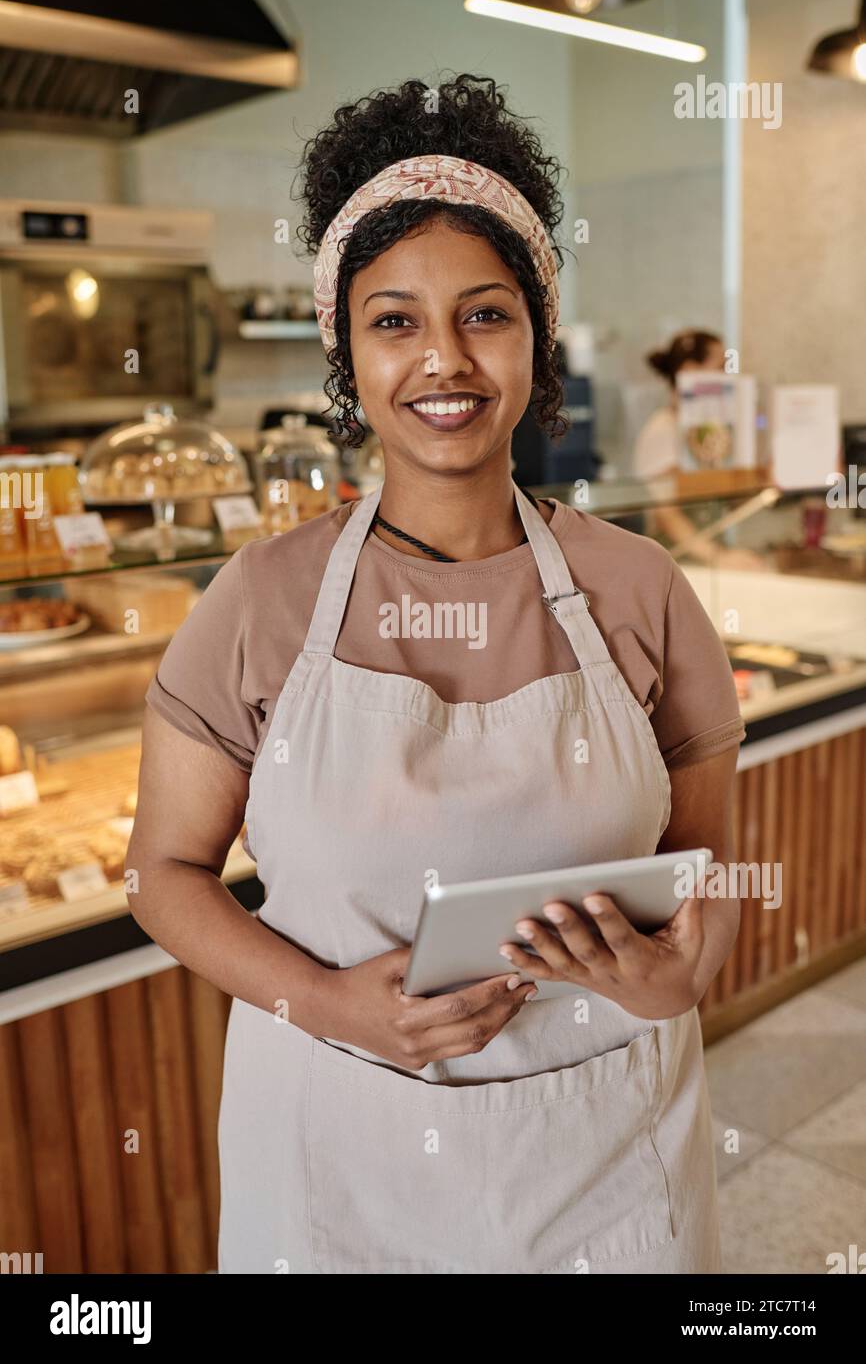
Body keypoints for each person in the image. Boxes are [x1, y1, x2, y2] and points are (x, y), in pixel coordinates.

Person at [128, 74, 745, 1275]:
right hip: (338, 1162)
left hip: (607, 1166)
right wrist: (330, 1004)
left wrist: (682, 978)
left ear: (535, 335)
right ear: (344, 352)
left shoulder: (639, 589)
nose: (443, 359)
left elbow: (711, 868)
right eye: (394, 320)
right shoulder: (261, 599)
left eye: (485, 313)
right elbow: (162, 876)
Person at [633, 329, 766, 570]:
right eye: (721, 367)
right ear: (690, 371)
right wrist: (717, 557)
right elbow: (666, 516)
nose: (728, 376)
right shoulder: (662, 429)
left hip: (706, 561)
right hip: (676, 564)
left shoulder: (711, 430)